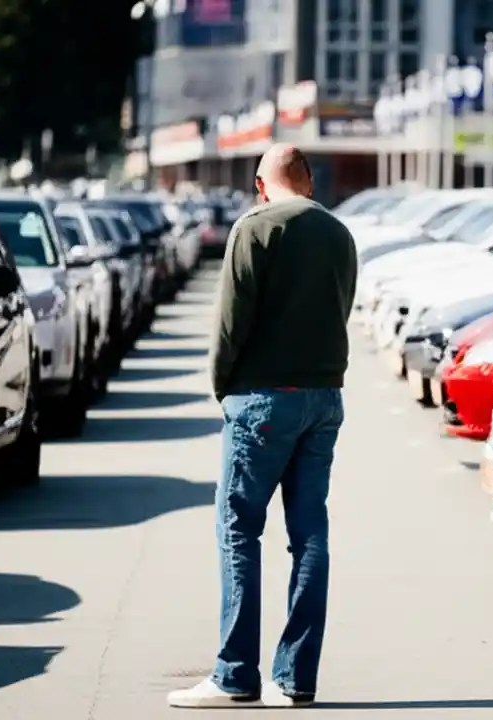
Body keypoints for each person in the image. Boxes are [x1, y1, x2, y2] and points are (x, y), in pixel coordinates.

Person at [168, 144, 358, 710]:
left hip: (263, 398)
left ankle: (235, 674)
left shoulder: (254, 228)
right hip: (324, 397)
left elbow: (231, 319)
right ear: (309, 182)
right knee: (310, 536)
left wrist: (223, 387)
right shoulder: (338, 232)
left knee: (239, 529)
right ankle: (296, 679)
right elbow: (340, 307)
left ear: (259, 184)